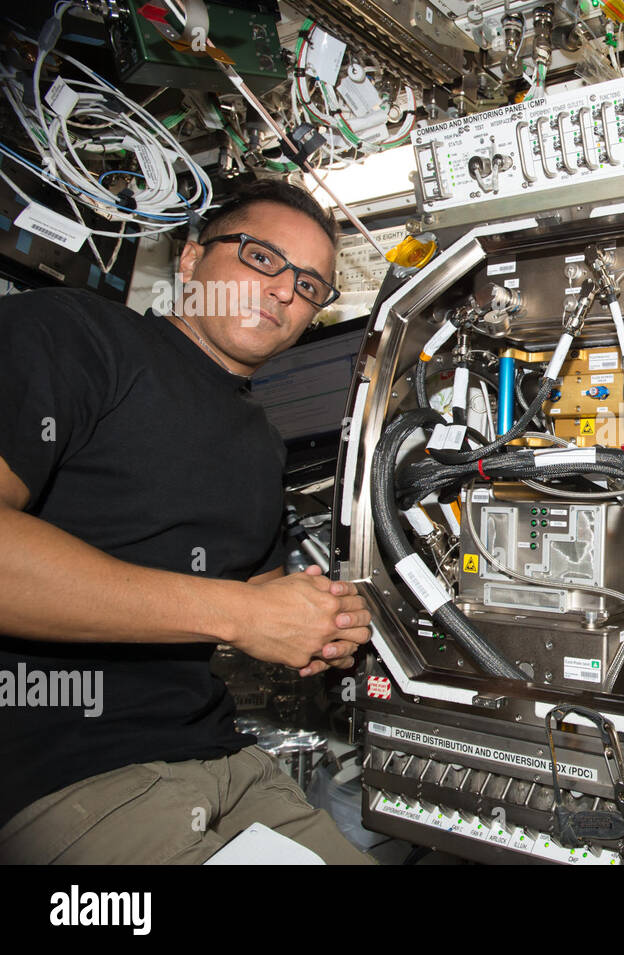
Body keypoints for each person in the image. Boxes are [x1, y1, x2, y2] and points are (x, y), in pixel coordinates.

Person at [0, 179, 375, 863]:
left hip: (229, 763)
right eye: (262, 258)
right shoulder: (71, 333)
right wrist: (238, 612)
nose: (285, 290)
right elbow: (233, 610)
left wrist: (315, 628)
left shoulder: (262, 443)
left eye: (311, 285)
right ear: (190, 260)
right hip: (68, 776)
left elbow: (250, 610)